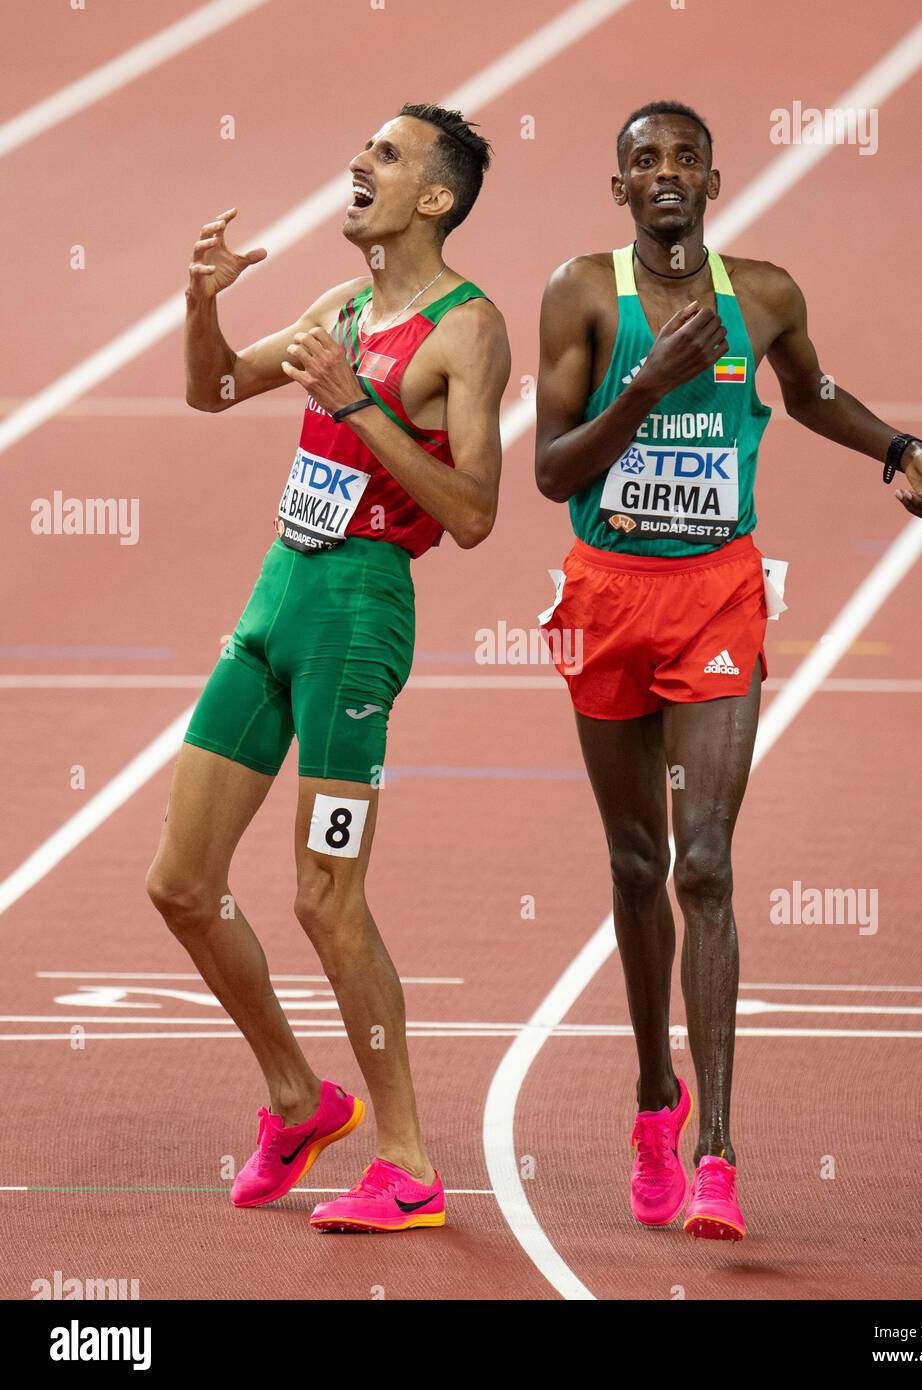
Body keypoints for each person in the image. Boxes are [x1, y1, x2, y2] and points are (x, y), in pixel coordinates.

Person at [534, 100, 922, 1239]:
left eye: (682, 158)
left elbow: (807, 394)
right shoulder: (581, 292)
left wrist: (897, 450)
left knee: (704, 863)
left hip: (715, 592)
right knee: (634, 865)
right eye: (641, 161)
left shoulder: (761, 294)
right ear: (617, 188)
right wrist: (642, 383)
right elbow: (550, 468)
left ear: (713, 180)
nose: (663, 174)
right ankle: (651, 1101)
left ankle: (717, 1147)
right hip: (604, 597)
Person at [146, 103, 510, 1234]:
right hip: (276, 598)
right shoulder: (338, 306)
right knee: (180, 884)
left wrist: (357, 403)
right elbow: (209, 394)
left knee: (323, 897)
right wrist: (202, 304)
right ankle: (300, 1099)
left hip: (358, 616)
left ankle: (405, 1160)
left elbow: (475, 515)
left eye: (388, 156)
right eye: (362, 148)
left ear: (436, 199)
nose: (360, 161)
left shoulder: (466, 327)